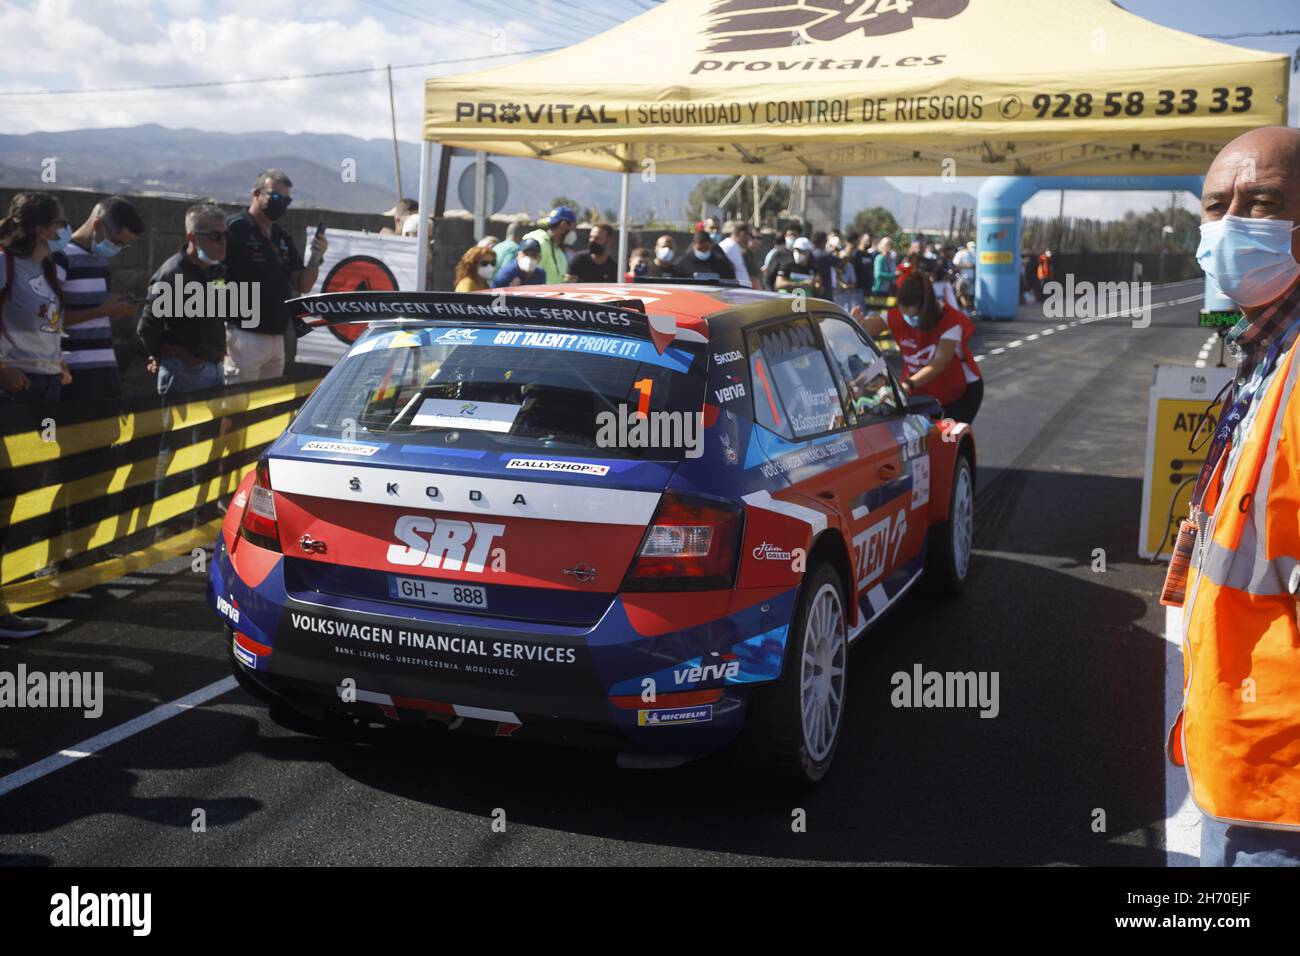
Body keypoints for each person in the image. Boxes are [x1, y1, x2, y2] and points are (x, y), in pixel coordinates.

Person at [1167, 126, 1300, 866]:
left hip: (1280, 795)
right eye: (1217, 207)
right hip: (1244, 766)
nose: (1230, 226)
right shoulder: (1268, 352)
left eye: (1263, 203)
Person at [0, 191, 72, 640]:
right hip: (13, 392)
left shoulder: (48, 269)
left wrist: (55, 362)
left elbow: (45, 325)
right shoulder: (4, 263)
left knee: (21, 494)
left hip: (43, 389)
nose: (67, 229)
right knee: (6, 494)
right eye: (61, 222)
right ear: (43, 228)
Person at [138, 203, 229, 507]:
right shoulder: (173, 274)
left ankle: (197, 515)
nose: (222, 243)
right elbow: (147, 326)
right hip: (184, 373)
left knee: (205, 447)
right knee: (173, 448)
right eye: (215, 236)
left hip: (211, 369)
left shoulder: (213, 272)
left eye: (225, 235)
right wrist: (162, 354)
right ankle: (166, 520)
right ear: (193, 236)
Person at [223, 169, 327, 383]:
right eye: (276, 197)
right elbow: (213, 279)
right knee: (236, 407)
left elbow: (303, 284)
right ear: (256, 193)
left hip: (277, 337)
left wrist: (316, 257)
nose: (281, 204)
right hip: (243, 335)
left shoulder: (281, 237)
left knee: (267, 409)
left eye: (286, 200)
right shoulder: (234, 229)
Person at [852, 271, 982, 424]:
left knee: (947, 442)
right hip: (921, 390)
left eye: (912, 316)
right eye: (903, 314)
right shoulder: (897, 316)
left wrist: (909, 384)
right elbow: (868, 330)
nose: (907, 320)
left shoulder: (950, 320)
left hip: (959, 393)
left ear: (925, 308)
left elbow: (940, 361)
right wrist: (855, 323)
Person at [54, 196, 146, 405]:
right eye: (117, 242)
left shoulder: (99, 260)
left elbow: (93, 307)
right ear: (97, 226)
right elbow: (48, 320)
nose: (118, 249)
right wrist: (103, 310)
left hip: (104, 371)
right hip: (74, 374)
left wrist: (117, 306)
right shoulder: (60, 257)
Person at [522, 206, 576, 284]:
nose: (574, 233)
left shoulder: (558, 250)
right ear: (563, 225)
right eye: (573, 228)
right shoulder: (537, 242)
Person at [718, 221, 754, 288]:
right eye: (749, 234)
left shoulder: (734, 247)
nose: (749, 238)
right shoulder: (728, 246)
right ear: (741, 233)